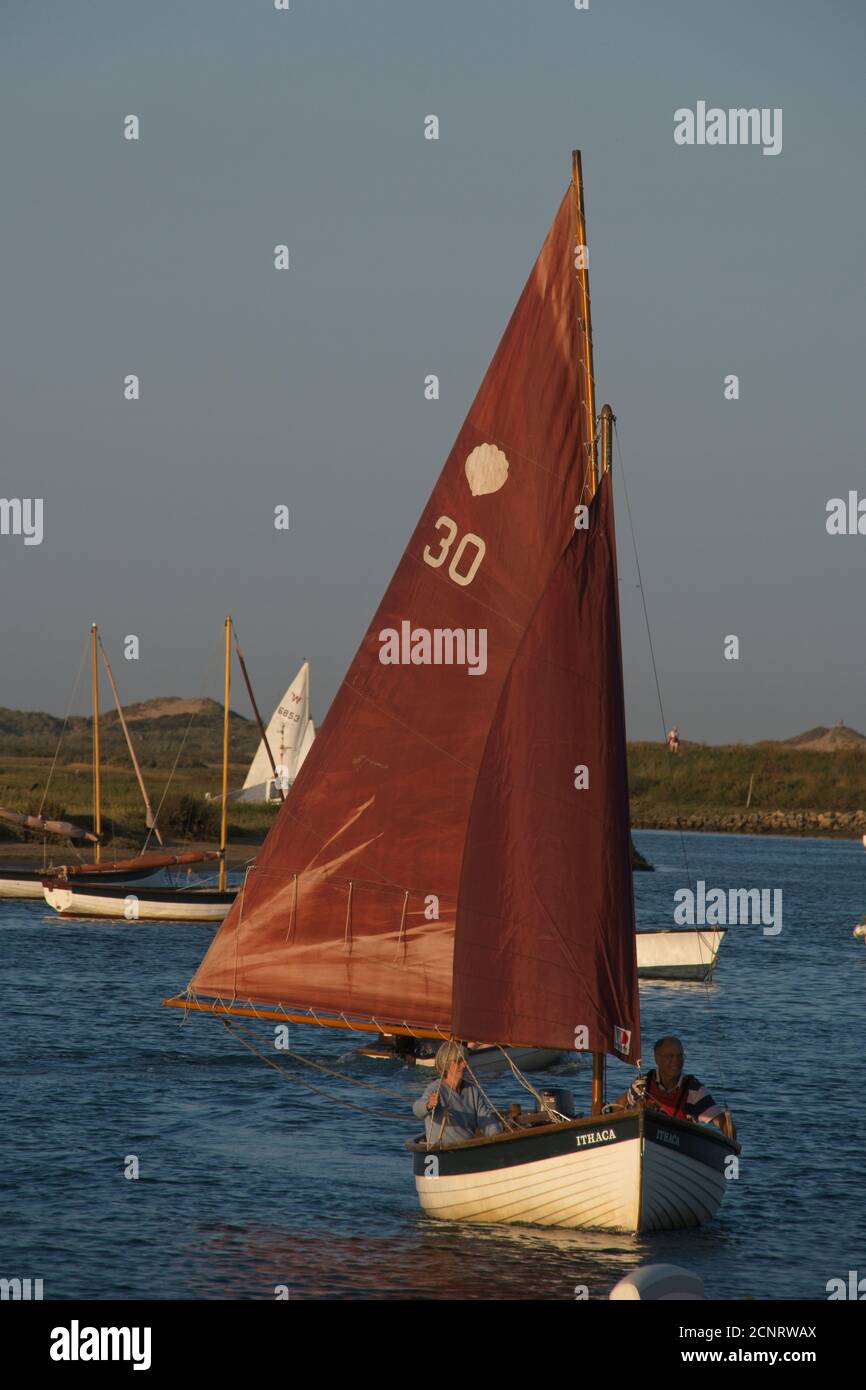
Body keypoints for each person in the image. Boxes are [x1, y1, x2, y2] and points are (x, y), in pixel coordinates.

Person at [614, 1036, 733, 1134]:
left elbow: (721, 1120)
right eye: (670, 1057)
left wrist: (729, 1142)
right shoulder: (642, 1084)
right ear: (657, 1059)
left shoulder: (694, 1090)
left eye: (680, 1056)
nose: (676, 1061)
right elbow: (622, 1101)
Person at [412, 1041, 504, 1145]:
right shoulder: (435, 1089)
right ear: (447, 1064)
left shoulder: (472, 1090)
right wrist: (428, 1105)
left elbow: (486, 1119)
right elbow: (417, 1109)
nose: (464, 1065)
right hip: (442, 1150)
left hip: (467, 1148)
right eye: (459, 1061)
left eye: (465, 1060)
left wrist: (496, 1135)